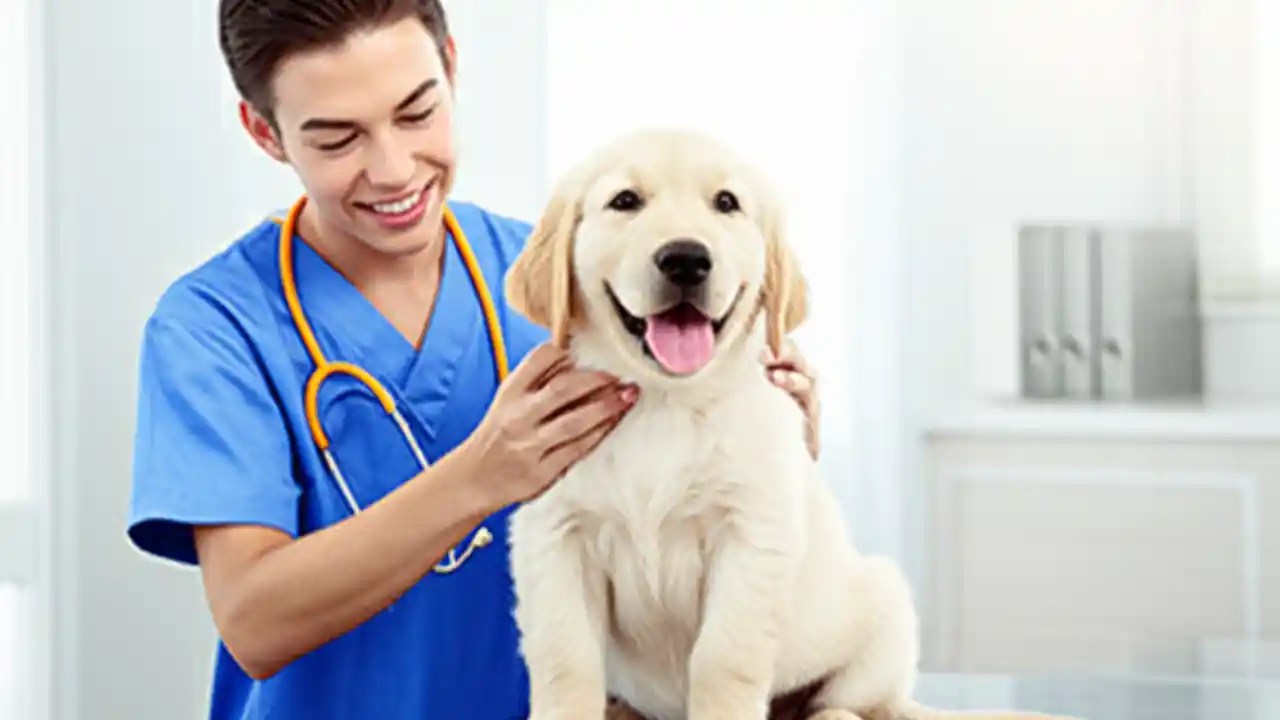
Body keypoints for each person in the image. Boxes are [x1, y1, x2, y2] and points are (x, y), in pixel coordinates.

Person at [126, 1, 823, 718]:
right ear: (264, 132)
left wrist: (763, 412)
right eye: (337, 140)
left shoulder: (571, 280)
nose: (394, 169)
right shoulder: (214, 327)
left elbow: (693, 524)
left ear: (451, 67)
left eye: (417, 112)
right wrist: (480, 476)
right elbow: (253, 621)